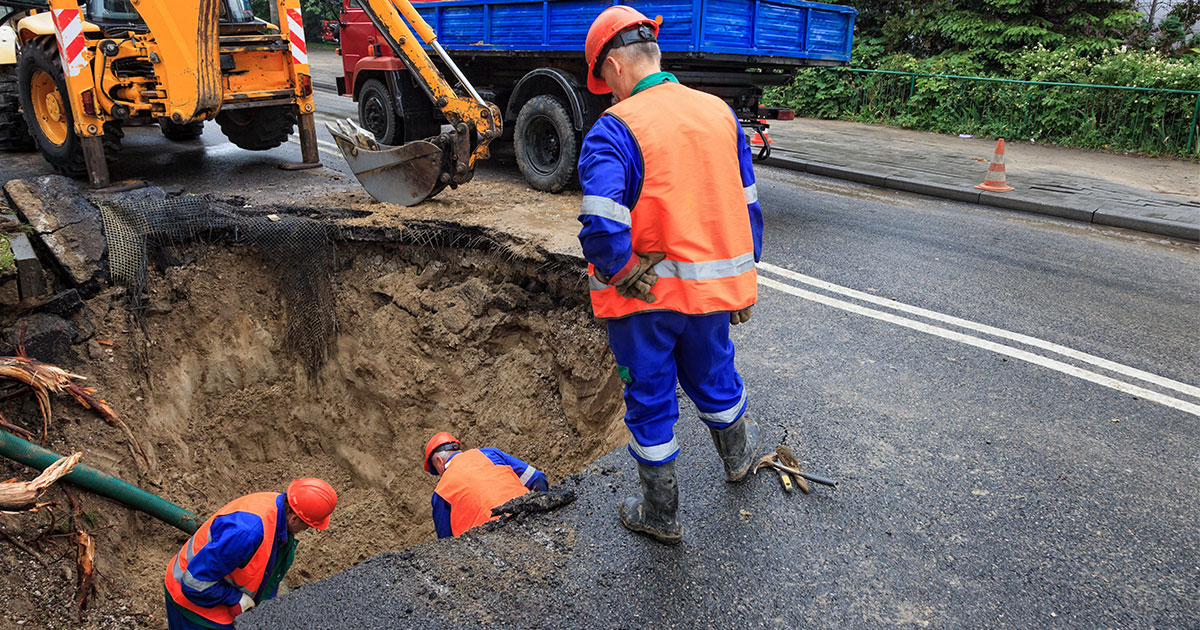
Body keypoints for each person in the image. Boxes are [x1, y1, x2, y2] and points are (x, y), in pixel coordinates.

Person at [577, 6, 764, 544]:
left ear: (614, 66)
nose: (609, 93)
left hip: (643, 300)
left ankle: (661, 513)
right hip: (708, 294)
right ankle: (738, 457)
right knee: (714, 373)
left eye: (605, 80)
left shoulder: (616, 128)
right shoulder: (719, 114)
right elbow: (747, 204)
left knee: (650, 397)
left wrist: (622, 268)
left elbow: (601, 220)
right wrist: (741, 283)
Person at [164, 478, 338, 630]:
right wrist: (235, 599)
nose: (306, 529)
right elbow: (194, 582)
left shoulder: (277, 509)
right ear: (294, 519)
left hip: (213, 590)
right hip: (194, 605)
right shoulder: (247, 533)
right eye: (308, 526)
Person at [424, 432, 549, 539]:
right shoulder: (490, 453)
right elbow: (538, 478)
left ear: (439, 461)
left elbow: (445, 544)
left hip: (490, 543)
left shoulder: (441, 491)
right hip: (529, 520)